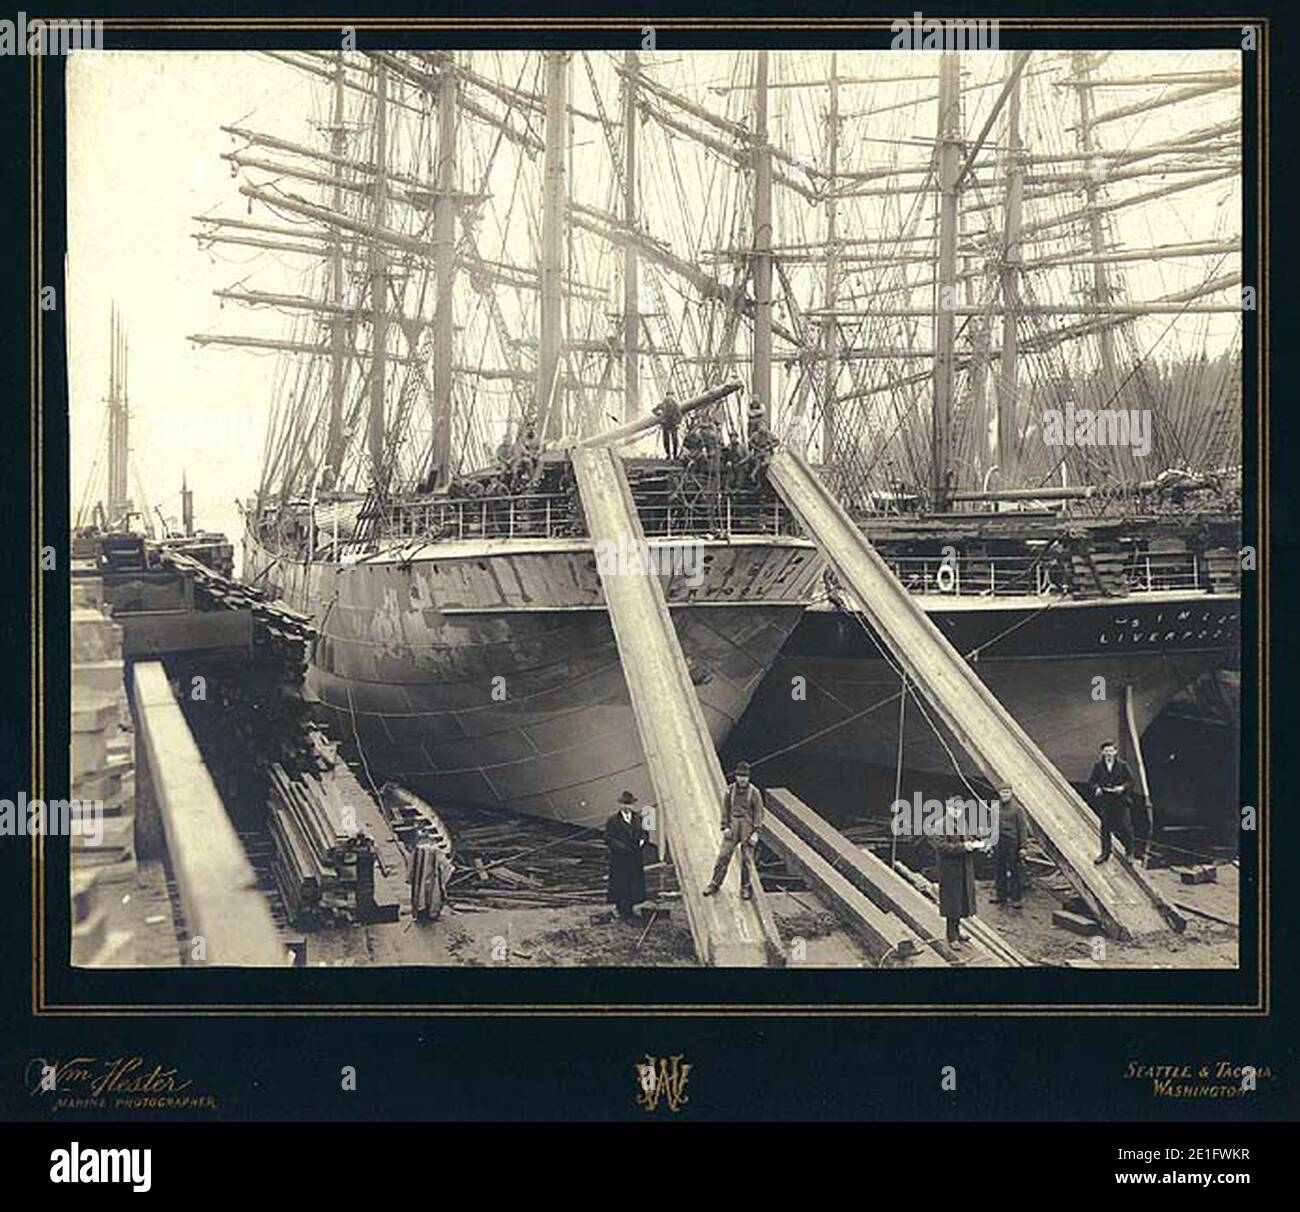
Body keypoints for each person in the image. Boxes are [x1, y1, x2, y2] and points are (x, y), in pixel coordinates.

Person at [703, 761, 764, 900]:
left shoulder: (754, 793)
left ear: (748, 778)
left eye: (745, 776)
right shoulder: (730, 791)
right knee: (723, 856)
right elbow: (725, 809)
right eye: (740, 776)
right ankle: (714, 883)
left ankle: (745, 887)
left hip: (748, 827)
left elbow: (759, 813)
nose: (742, 779)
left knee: (747, 859)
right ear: (736, 777)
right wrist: (725, 827)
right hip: (733, 825)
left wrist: (756, 832)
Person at [931, 798, 987, 947]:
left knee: (961, 901)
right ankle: (951, 937)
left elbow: (968, 839)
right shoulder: (940, 825)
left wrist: (977, 843)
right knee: (951, 903)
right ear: (947, 808)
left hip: (964, 868)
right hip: (950, 870)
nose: (956, 811)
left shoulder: (962, 823)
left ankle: (957, 931)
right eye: (953, 808)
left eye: (959, 809)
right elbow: (941, 847)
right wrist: (964, 847)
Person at [1088, 740, 1135, 864]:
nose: (1108, 753)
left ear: (1115, 752)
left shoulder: (1123, 765)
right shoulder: (1098, 766)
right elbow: (1092, 781)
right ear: (1102, 752)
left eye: (1111, 751)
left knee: (1125, 827)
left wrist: (1122, 788)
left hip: (1120, 800)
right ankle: (1105, 854)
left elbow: (1131, 781)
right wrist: (1097, 788)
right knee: (1105, 828)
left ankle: (1129, 852)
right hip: (1106, 800)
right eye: (1106, 751)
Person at [605, 790, 649, 921]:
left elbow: (645, 833)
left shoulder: (638, 818)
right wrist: (621, 847)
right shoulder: (613, 820)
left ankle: (630, 910)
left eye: (629, 804)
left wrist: (643, 840)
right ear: (620, 805)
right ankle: (621, 910)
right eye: (625, 804)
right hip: (620, 858)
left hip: (635, 857)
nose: (627, 806)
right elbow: (608, 838)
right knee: (621, 884)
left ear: (633, 805)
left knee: (633, 884)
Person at [991, 785, 1026, 909]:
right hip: (999, 843)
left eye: (1007, 792)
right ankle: (1001, 895)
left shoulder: (1018, 809)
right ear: (999, 793)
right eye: (1002, 792)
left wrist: (1023, 847)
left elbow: (1022, 828)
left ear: (1011, 793)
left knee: (1014, 871)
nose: (1004, 794)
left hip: (1013, 844)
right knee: (999, 869)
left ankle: (1016, 898)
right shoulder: (995, 808)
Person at [653, 395, 682, 460]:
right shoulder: (664, 405)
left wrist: (676, 423)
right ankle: (669, 454)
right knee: (667, 441)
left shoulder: (676, 406)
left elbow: (679, 416)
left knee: (674, 441)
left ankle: (674, 455)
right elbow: (654, 410)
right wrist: (660, 416)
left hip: (672, 425)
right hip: (666, 425)